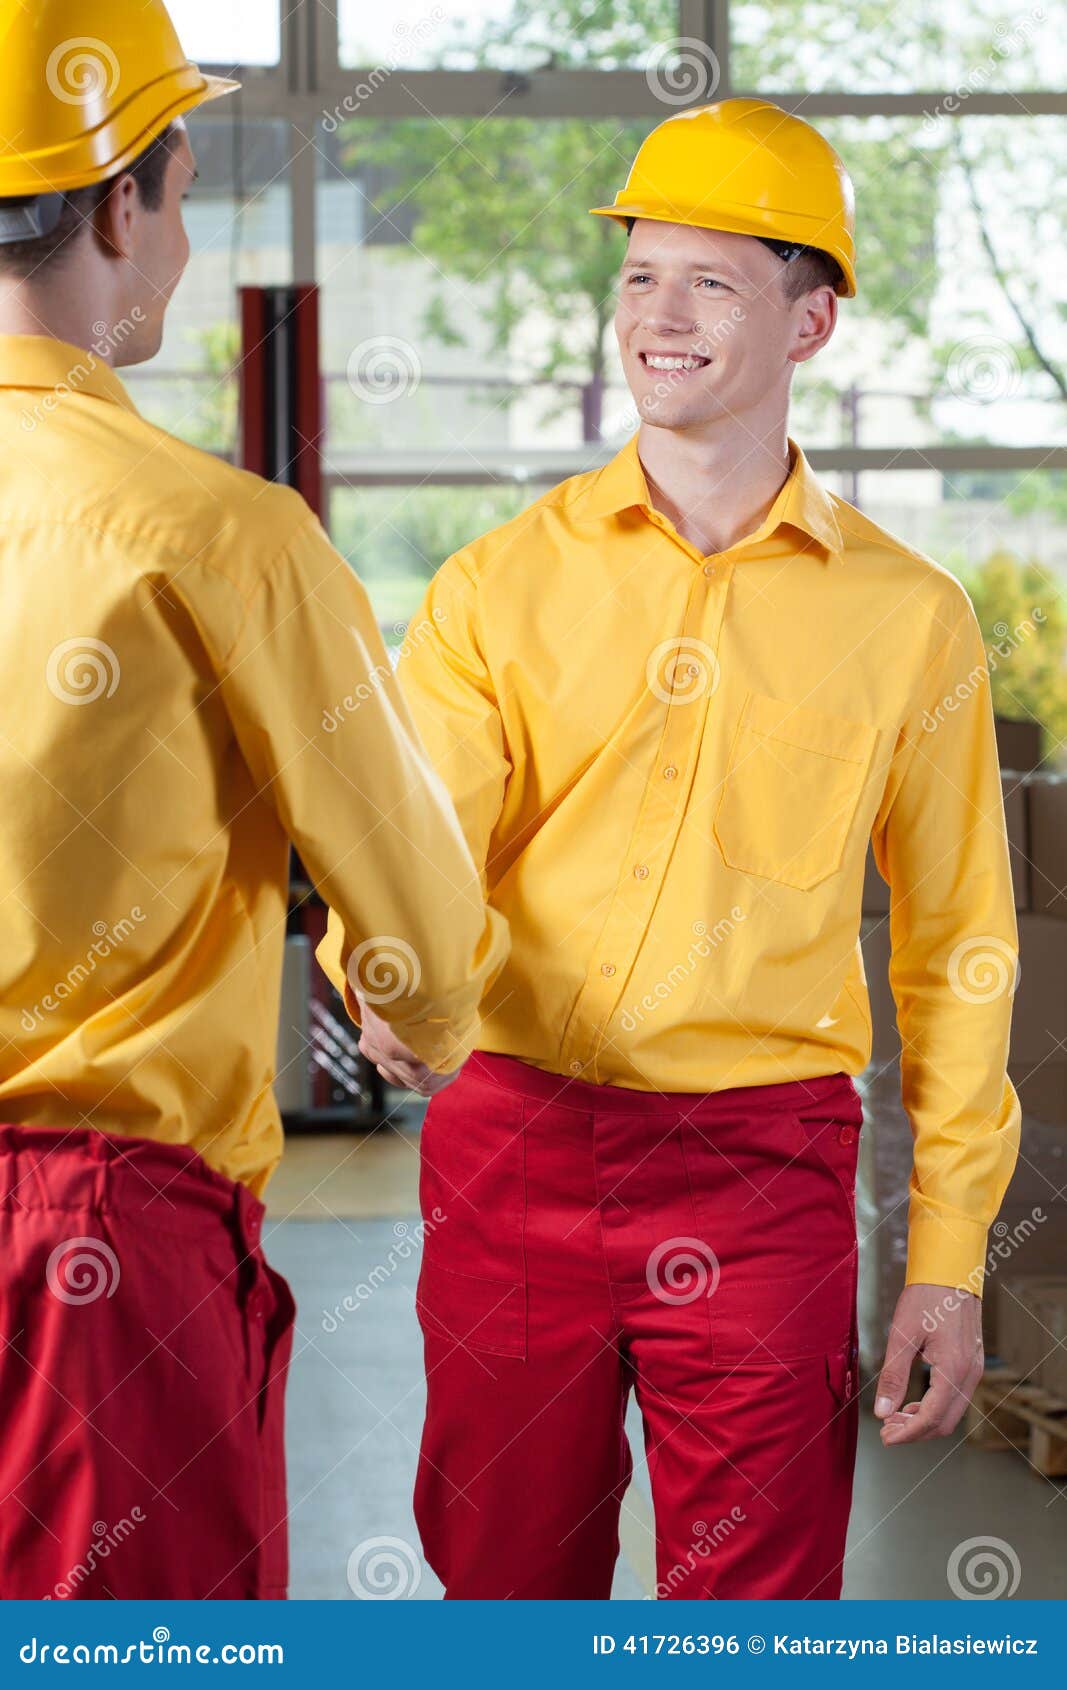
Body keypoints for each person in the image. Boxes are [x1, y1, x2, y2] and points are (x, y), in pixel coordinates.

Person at [337, 98, 1020, 1599]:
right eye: (639, 276)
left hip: (764, 1168)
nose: (660, 316)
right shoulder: (494, 590)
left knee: (758, 1615)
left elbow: (962, 947)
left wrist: (948, 1253)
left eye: (712, 281)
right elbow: (414, 842)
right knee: (508, 1594)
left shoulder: (910, 623)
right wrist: (383, 965)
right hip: (514, 1143)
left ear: (814, 318)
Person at [0, 0, 507, 1599]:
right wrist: (416, 998)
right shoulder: (221, 538)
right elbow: (421, 925)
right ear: (124, 201)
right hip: (99, 1251)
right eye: (178, 190)